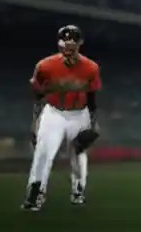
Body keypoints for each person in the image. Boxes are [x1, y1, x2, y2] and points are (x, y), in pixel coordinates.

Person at [23, 24, 101, 211]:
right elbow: (38, 95)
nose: (69, 45)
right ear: (59, 44)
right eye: (65, 41)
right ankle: (35, 193)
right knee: (43, 152)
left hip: (79, 113)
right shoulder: (44, 66)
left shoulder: (90, 67)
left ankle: (78, 189)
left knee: (78, 153)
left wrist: (93, 120)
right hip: (54, 113)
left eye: (73, 41)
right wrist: (36, 122)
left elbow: (91, 96)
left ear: (80, 43)